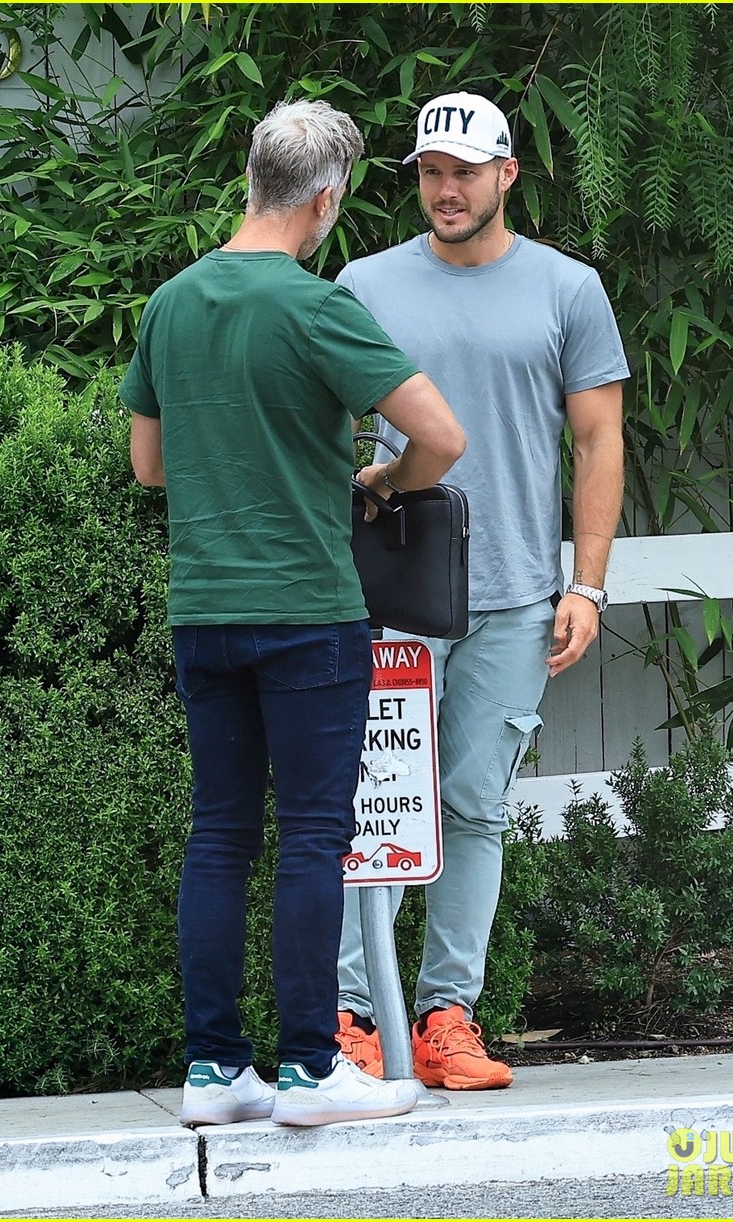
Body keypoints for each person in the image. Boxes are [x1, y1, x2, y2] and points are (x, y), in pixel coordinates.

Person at [119, 98, 465, 1127]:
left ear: (250, 181)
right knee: (315, 834)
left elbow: (148, 465)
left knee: (218, 833)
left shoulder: (171, 305)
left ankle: (213, 1072)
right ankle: (312, 1070)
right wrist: (376, 480)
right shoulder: (317, 309)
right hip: (308, 608)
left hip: (204, 609)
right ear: (326, 198)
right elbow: (439, 437)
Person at [335, 91, 629, 1090]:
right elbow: (316, 424)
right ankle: (350, 1017)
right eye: (429, 170)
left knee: (469, 802)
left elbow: (597, 439)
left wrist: (585, 582)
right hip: (384, 587)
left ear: (506, 173)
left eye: (464, 170)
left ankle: (444, 1016)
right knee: (366, 797)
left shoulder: (566, 288)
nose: (445, 188)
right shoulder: (362, 283)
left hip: (511, 591)